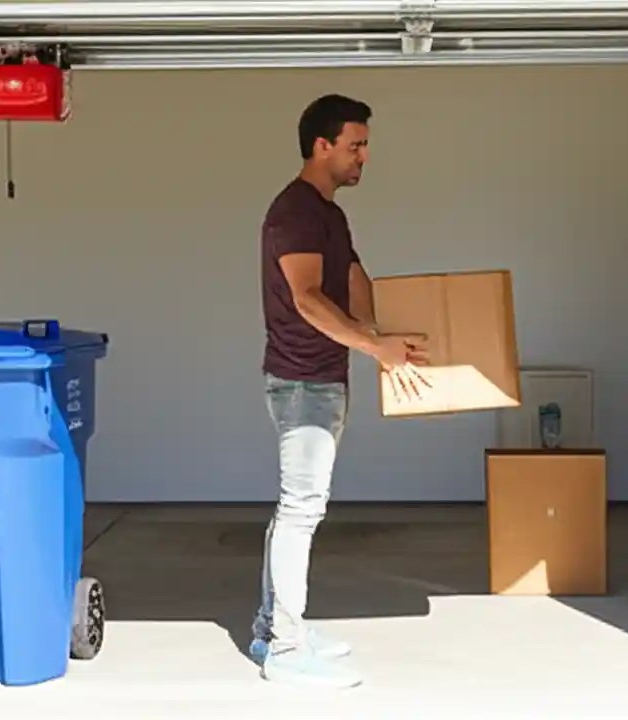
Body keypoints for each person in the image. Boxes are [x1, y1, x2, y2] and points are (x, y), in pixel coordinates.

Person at [251, 93, 430, 688]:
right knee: (301, 510)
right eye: (355, 144)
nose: (364, 156)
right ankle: (285, 647)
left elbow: (353, 277)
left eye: (366, 145)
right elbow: (306, 297)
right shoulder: (296, 213)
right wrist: (375, 347)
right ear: (321, 146)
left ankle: (269, 628)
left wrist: (376, 335)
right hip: (302, 381)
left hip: (323, 376)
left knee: (296, 509)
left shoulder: (327, 212)